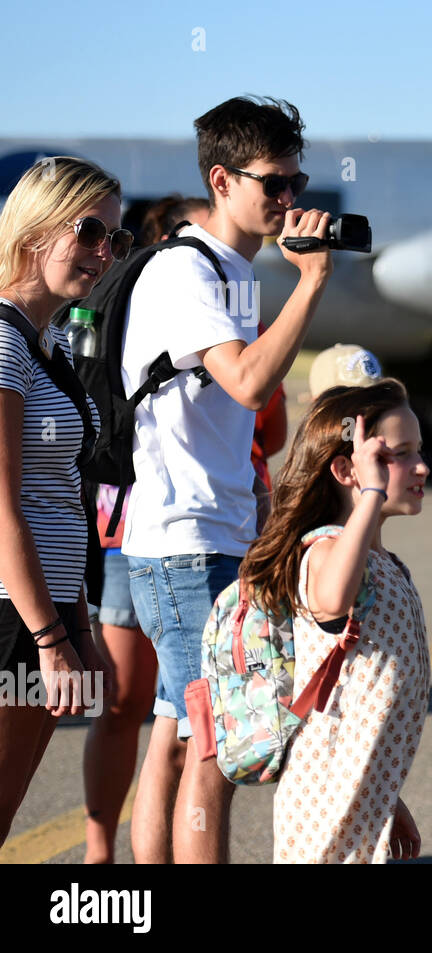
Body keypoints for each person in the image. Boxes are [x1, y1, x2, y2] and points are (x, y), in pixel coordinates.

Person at [121, 96, 335, 865]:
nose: (290, 201)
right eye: (273, 185)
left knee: (180, 741)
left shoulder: (230, 270)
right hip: (185, 547)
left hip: (205, 537)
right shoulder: (186, 270)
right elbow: (247, 382)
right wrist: (309, 285)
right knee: (216, 752)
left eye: (295, 182)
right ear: (221, 179)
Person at [82, 194, 217, 862]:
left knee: (175, 710)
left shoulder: (220, 317)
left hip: (197, 535)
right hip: (132, 526)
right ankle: (99, 844)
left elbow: (269, 420)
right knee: (128, 698)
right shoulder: (132, 311)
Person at [250, 380, 430, 863]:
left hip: (360, 802)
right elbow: (331, 598)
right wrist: (372, 492)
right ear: (346, 469)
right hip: (325, 811)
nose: (421, 466)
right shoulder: (327, 550)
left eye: (419, 451)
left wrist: (389, 797)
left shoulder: (381, 560)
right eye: (398, 455)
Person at [0, 157, 119, 845]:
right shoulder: (5, 341)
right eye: (90, 231)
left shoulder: (48, 344)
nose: (104, 252)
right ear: (37, 229)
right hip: (12, 617)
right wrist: (49, 638)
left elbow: (62, 503)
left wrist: (78, 629)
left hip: (39, 612)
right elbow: (3, 504)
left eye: (117, 239)